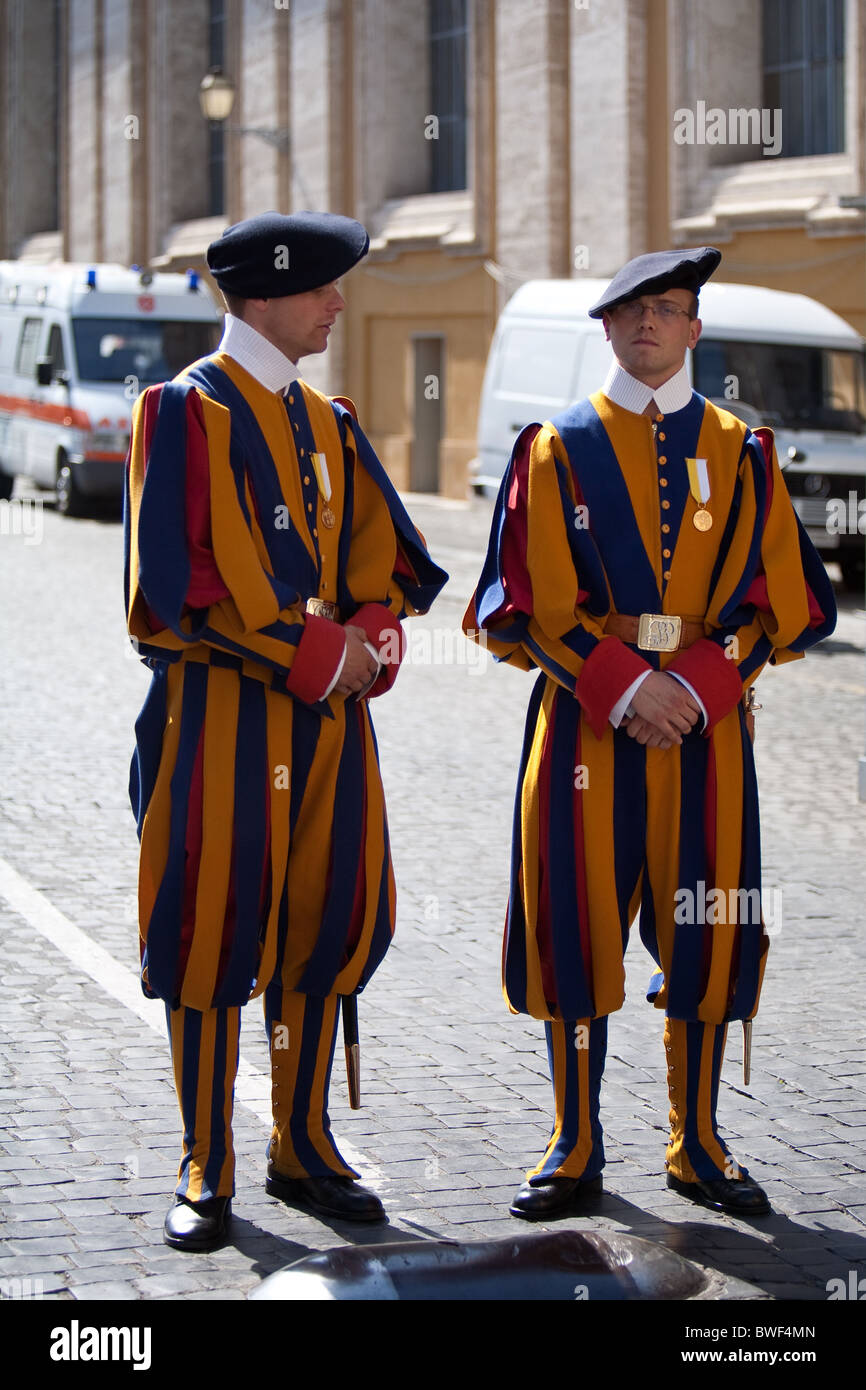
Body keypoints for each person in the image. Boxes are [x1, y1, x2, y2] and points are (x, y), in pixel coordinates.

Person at [464, 247, 836, 1220]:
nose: (647, 325)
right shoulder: (555, 448)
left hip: (707, 733)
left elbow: (779, 603)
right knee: (574, 928)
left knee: (707, 928)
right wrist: (628, 686)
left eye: (666, 309)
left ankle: (696, 1139)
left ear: (692, 328)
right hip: (586, 728)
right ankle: (574, 1140)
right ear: (605, 327)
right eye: (630, 311)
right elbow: (528, 606)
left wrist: (696, 688)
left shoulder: (741, 451)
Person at [124, 211, 447, 1251]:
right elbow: (174, 587)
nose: (336, 303)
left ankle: (301, 1143)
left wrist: (373, 636)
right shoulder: (185, 409)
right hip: (222, 715)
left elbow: (384, 562)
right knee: (210, 923)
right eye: (320, 286)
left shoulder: (329, 420)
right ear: (263, 294)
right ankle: (205, 1161)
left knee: (327, 916)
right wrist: (318, 653)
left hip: (331, 729)